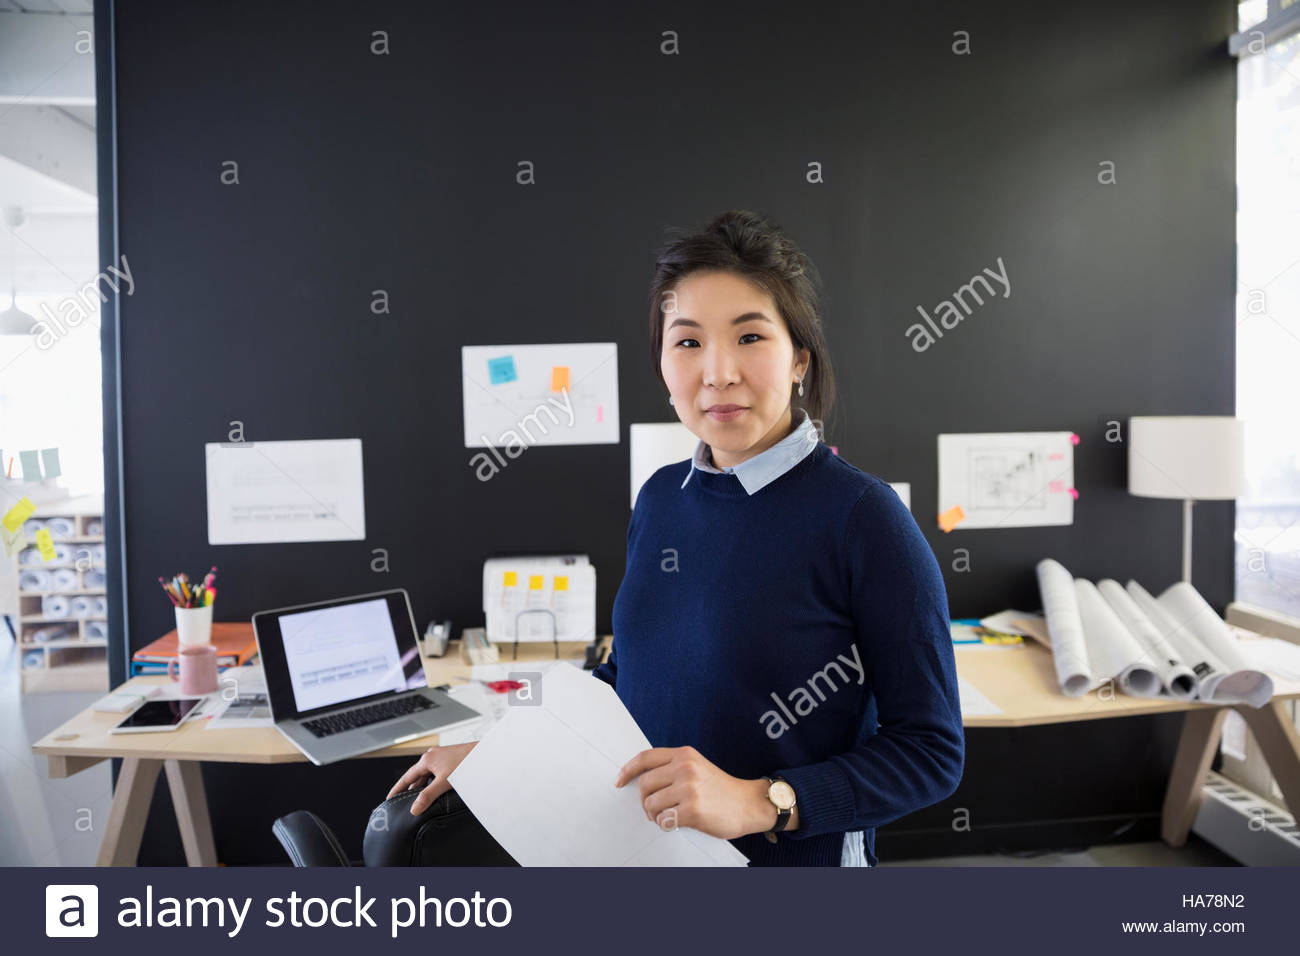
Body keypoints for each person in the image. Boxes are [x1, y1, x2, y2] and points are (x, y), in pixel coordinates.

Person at [388, 210, 965, 866]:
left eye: (750, 336)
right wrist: (504, 757)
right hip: (646, 857)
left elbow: (930, 751)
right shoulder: (662, 497)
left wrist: (761, 799)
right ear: (663, 365)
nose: (717, 373)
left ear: (799, 358)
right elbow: (626, 677)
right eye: (687, 342)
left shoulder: (864, 516)